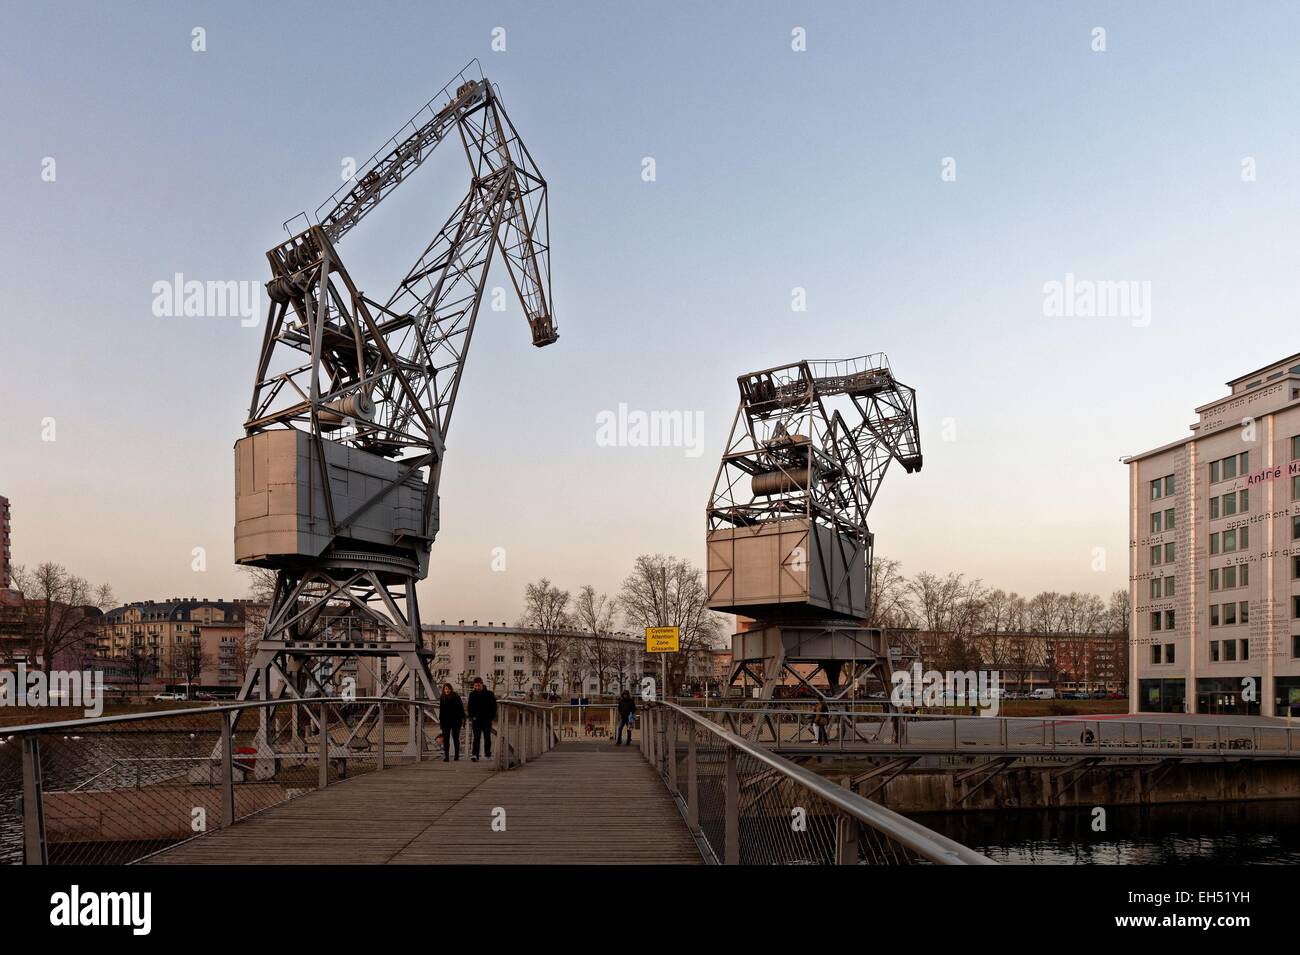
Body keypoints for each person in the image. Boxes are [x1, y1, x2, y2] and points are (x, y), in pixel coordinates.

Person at [466, 676, 498, 762]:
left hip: (486, 720)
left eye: (478, 685)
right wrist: (473, 717)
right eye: (475, 686)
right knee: (476, 738)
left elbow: (494, 707)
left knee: (487, 737)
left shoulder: (489, 694)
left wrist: (491, 717)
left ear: (482, 684)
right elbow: (469, 707)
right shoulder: (472, 695)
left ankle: (487, 754)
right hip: (476, 720)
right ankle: (475, 755)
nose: (477, 687)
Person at [438, 683, 464, 761]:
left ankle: (456, 756)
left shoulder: (456, 697)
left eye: (448, 689)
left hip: (455, 721)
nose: (447, 690)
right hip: (445, 722)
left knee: (455, 738)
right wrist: (441, 722)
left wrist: (462, 720)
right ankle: (447, 756)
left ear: (451, 689)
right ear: (444, 690)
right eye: (445, 689)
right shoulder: (442, 698)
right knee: (446, 739)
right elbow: (441, 711)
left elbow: (461, 709)